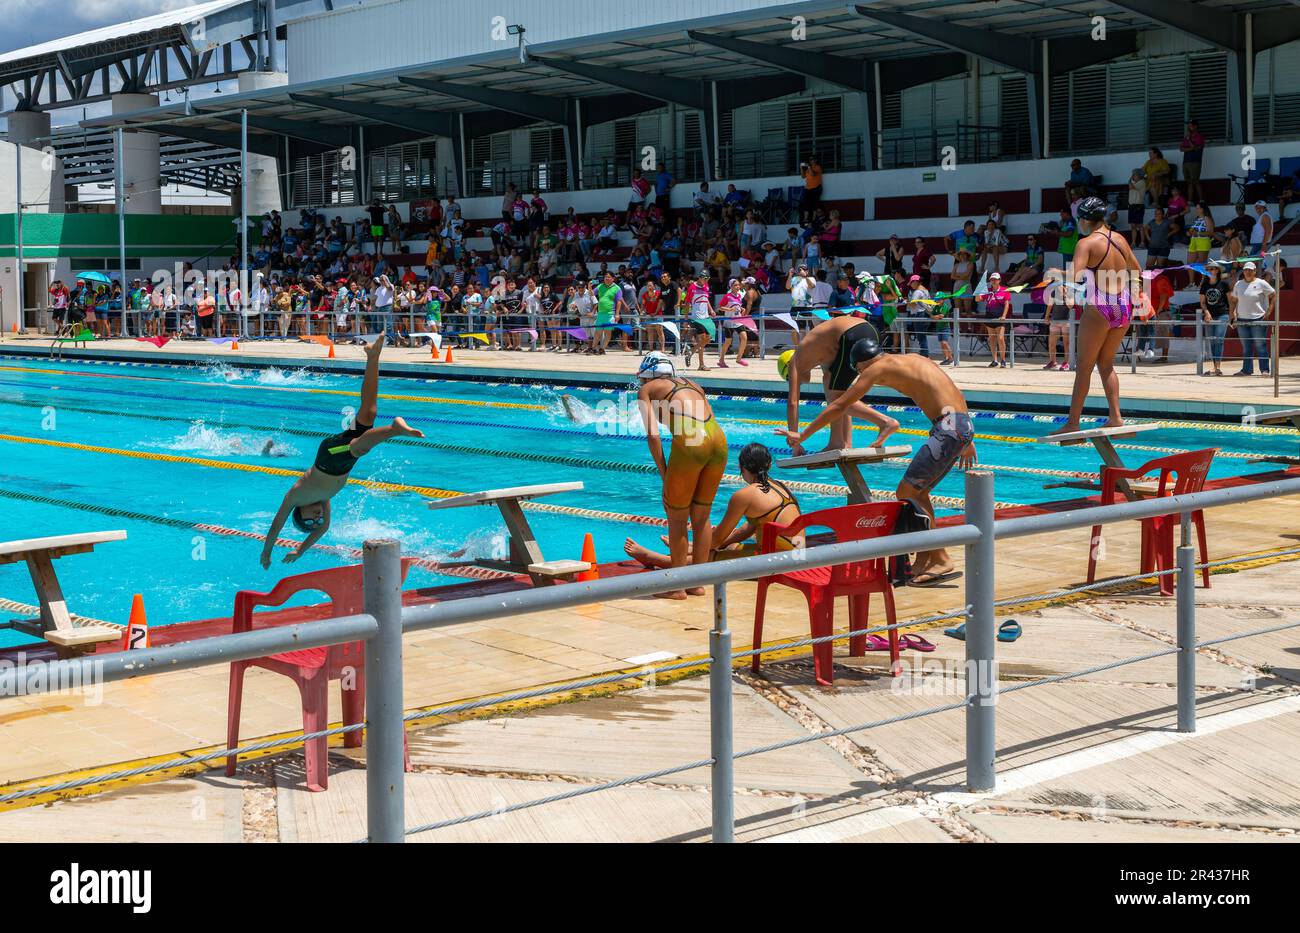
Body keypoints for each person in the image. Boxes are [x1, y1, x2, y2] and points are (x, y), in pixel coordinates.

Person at [775, 339, 976, 585]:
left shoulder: (876, 367)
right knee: (919, 492)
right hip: (959, 423)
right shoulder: (914, 359)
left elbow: (840, 404)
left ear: (862, 365)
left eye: (860, 372)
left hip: (947, 428)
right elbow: (957, 393)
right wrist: (966, 437)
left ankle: (940, 557)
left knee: (906, 491)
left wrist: (802, 435)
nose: (866, 377)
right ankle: (927, 556)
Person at [260, 336, 424, 567]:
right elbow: (323, 529)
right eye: (317, 521)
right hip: (342, 461)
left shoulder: (294, 497)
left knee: (358, 449)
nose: (317, 519)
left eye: (310, 520)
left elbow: (276, 525)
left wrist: (266, 553)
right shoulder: (323, 501)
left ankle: (394, 429)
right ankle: (373, 356)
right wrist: (300, 550)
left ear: (299, 513)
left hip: (329, 456)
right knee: (368, 413)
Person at [634, 352, 728, 600]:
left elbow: (653, 436)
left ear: (646, 376)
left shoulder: (648, 390)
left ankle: (676, 587)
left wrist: (665, 473)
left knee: (676, 517)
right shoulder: (694, 384)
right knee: (701, 515)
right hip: (719, 442)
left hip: (691, 442)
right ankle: (697, 584)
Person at [624, 442, 804, 571]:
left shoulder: (744, 495)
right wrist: (696, 545)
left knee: (708, 558)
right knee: (731, 547)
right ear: (770, 465)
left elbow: (717, 540)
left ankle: (655, 559)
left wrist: (694, 548)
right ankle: (684, 552)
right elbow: (746, 530)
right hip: (797, 557)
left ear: (741, 468)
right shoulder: (780, 486)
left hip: (780, 562)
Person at [1048, 197, 1142, 434]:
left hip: (1100, 305)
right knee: (1106, 363)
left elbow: (1075, 275)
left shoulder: (1086, 243)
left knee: (1084, 367)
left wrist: (1054, 273)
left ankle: (1072, 423)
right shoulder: (1120, 239)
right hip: (1123, 306)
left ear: (1084, 220)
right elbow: (1137, 270)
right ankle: (1116, 417)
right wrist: (1137, 294)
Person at [776, 315, 899, 451]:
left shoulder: (795, 361)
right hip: (870, 330)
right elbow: (837, 391)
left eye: (789, 378)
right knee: (834, 389)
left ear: (787, 366)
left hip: (851, 334)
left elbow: (793, 403)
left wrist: (795, 444)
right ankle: (844, 443)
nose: (797, 382)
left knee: (837, 399)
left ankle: (884, 422)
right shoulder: (820, 352)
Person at [1230, 261, 1276, 377]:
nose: (1248, 272)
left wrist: (1269, 311)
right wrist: (1231, 313)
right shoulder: (1238, 284)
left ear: (1255, 271)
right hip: (1241, 319)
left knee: (1260, 345)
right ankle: (1246, 370)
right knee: (1246, 346)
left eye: (1250, 270)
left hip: (1258, 318)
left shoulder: (1261, 283)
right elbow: (1234, 300)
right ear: (1243, 271)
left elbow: (1274, 294)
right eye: (1246, 270)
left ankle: (1264, 370)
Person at [1199, 265, 1232, 377]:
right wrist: (1206, 312)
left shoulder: (1224, 284)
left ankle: (1217, 366)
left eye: (1212, 269)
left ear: (1217, 270)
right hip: (1210, 316)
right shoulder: (1204, 285)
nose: (1210, 271)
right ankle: (1215, 366)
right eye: (1208, 269)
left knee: (1219, 339)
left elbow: (1230, 300)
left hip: (1222, 314)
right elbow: (1203, 302)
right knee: (1212, 340)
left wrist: (1232, 314)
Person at [1179, 120, 1205, 203]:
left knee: (1195, 180)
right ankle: (1190, 201)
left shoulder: (1199, 136)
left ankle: (1201, 200)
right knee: (1189, 181)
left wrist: (1189, 141)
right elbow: (1181, 148)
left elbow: (1195, 147)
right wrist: (1190, 148)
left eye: (1191, 125)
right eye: (1189, 126)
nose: (1189, 127)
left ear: (1195, 126)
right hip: (1186, 161)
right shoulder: (1186, 137)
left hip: (1195, 161)